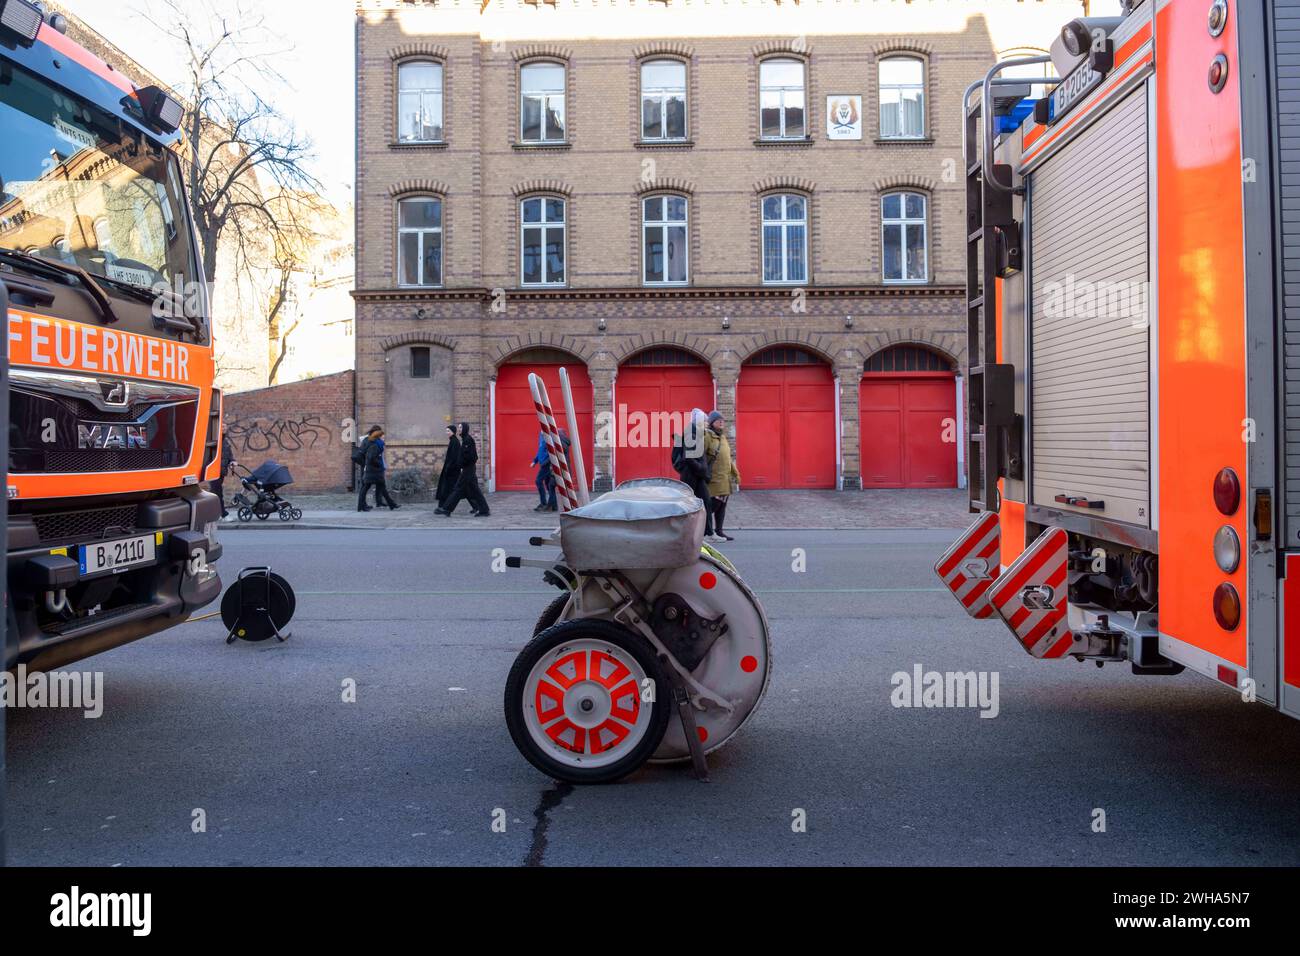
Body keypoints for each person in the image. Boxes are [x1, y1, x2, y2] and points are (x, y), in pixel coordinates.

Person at [672, 408, 713, 537]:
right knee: (697, 503)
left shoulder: (696, 433)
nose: (707, 423)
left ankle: (705, 533)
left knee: (701, 503)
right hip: (692, 476)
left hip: (694, 475)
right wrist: (702, 470)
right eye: (705, 421)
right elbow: (689, 457)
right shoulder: (692, 435)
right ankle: (703, 533)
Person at [437, 422, 490, 517]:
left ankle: (447, 509)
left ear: (465, 428)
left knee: (458, 489)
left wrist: (462, 464)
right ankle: (484, 510)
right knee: (475, 490)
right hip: (467, 469)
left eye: (461, 427)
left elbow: (472, 456)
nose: (459, 429)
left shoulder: (468, 440)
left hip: (468, 469)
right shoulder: (465, 440)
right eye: (459, 427)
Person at [704, 410, 740, 542]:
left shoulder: (723, 438)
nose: (721, 422)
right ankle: (705, 532)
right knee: (713, 505)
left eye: (723, 420)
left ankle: (719, 531)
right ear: (712, 423)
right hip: (714, 479)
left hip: (725, 479)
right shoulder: (707, 436)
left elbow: (728, 459)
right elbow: (701, 457)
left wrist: (735, 473)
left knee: (722, 506)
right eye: (718, 420)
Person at [359, 426, 400, 511]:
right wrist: (378, 464)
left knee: (379, 486)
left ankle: (388, 503)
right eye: (382, 436)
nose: (384, 438)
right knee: (366, 487)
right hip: (372, 469)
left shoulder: (371, 441)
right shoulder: (374, 443)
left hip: (371, 468)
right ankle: (361, 506)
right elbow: (371, 457)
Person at [529, 430, 557, 512]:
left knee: (538, 481)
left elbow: (552, 453)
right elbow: (540, 450)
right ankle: (553, 505)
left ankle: (544, 503)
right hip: (543, 464)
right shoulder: (541, 436)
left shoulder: (549, 437)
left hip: (547, 465)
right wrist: (535, 461)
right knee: (549, 485)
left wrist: (545, 463)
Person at [435, 424, 461, 508]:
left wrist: (448, 468)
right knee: (447, 488)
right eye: (446, 431)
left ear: (453, 432)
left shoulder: (455, 442)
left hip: (452, 470)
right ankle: (442, 505)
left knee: (449, 488)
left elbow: (453, 457)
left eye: (448, 431)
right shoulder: (453, 441)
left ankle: (444, 506)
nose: (446, 433)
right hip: (450, 469)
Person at [213, 429, 236, 520]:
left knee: (216, 493)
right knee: (217, 493)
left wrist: (232, 461)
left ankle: (216, 514)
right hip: (213, 471)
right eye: (222, 426)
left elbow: (229, 455)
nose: (224, 428)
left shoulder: (225, 442)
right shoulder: (213, 441)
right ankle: (223, 514)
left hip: (222, 471)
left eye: (225, 427)